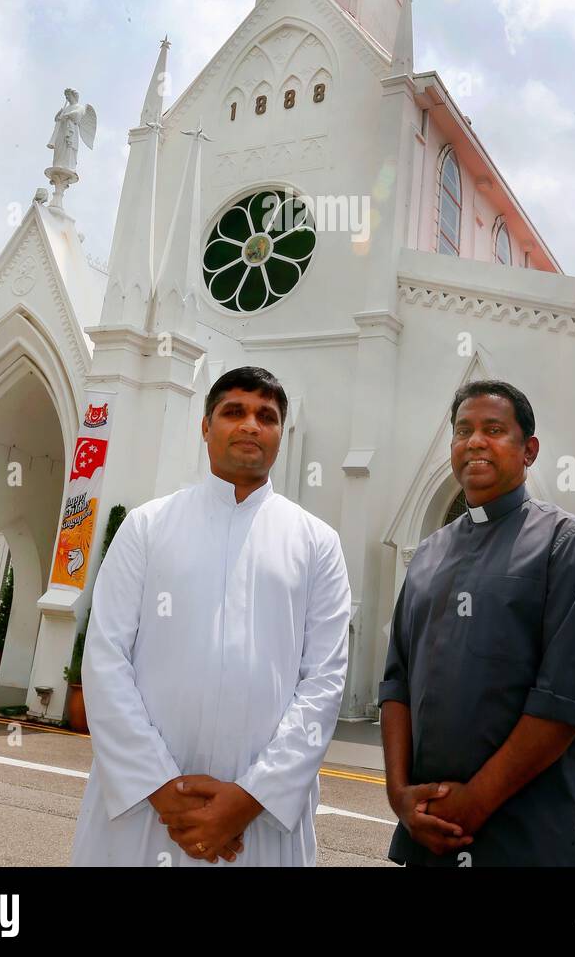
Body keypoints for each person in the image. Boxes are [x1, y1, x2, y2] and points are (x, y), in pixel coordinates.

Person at [71, 366, 350, 867]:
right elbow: (106, 658)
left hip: (261, 823)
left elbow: (324, 682)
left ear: (280, 436)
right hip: (146, 816)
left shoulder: (317, 543)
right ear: (205, 427)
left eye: (265, 416)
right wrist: (160, 788)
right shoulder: (147, 527)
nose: (250, 425)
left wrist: (249, 798)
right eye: (233, 412)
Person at [379, 379, 575, 867]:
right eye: (463, 430)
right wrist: (399, 794)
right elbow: (396, 684)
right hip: (428, 838)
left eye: (493, 429)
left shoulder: (565, 547)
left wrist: (476, 802)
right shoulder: (427, 556)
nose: (475, 441)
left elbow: (564, 702)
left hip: (531, 841)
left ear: (529, 450)